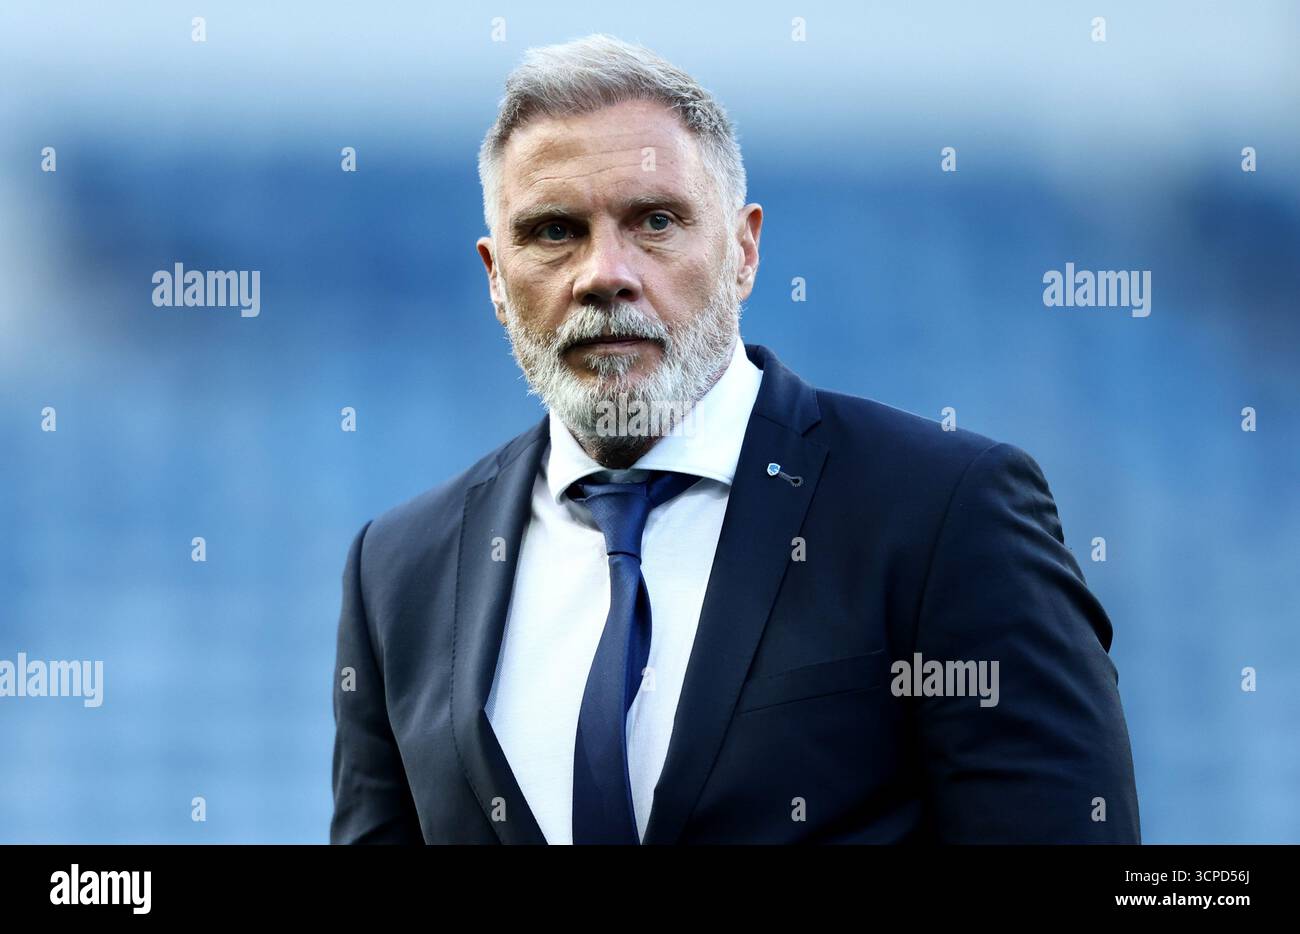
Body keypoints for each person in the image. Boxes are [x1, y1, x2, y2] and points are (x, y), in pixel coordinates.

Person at [330, 33, 1140, 844]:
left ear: (744, 250)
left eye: (654, 221)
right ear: (495, 281)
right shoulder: (398, 574)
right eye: (552, 231)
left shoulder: (945, 514)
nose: (604, 272)